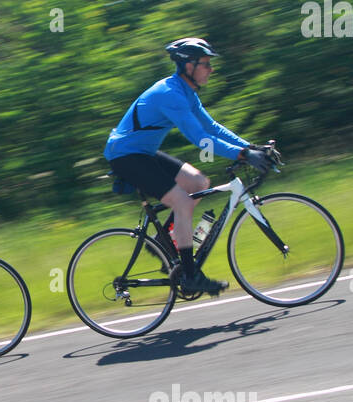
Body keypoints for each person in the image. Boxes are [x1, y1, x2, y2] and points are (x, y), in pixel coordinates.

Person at [104, 38, 275, 296]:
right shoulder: (170, 94)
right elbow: (200, 139)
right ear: (188, 65)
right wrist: (241, 154)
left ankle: (165, 240)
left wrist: (250, 147)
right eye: (206, 64)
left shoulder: (186, 92)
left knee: (199, 183)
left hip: (143, 152)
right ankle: (190, 274)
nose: (211, 69)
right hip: (126, 156)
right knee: (183, 202)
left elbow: (211, 128)